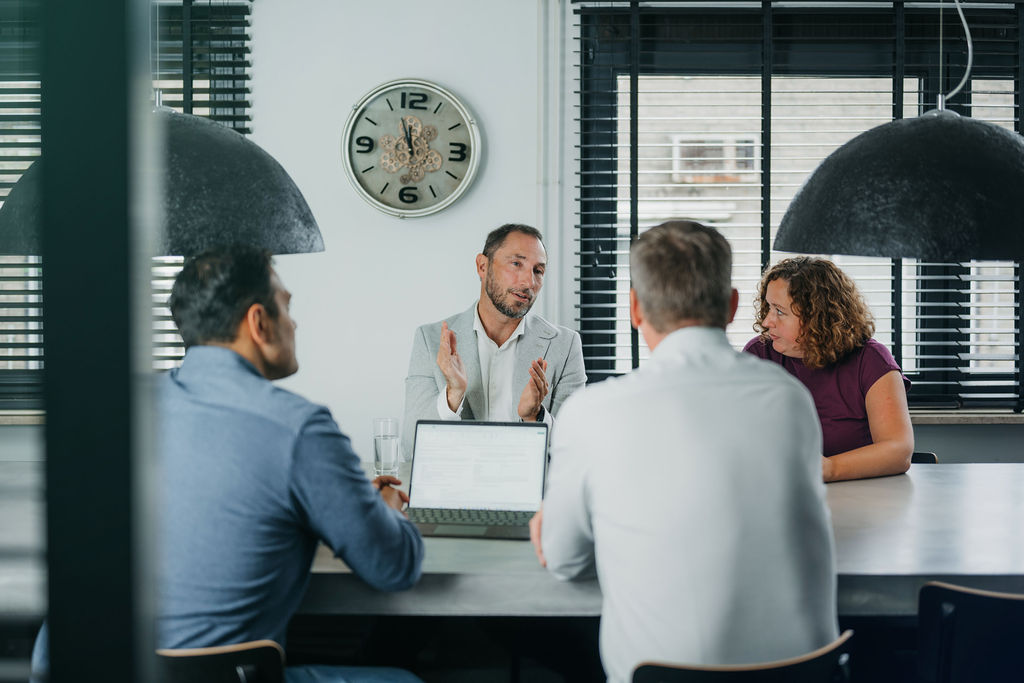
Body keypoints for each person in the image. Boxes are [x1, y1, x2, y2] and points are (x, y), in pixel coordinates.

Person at [33, 245, 425, 683]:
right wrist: (388, 508)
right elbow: (394, 567)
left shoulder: (115, 411)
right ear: (258, 322)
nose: (294, 323)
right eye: (286, 306)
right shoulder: (299, 428)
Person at [530, 221, 838, 683]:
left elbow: (564, 559)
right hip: (807, 675)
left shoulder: (591, 412)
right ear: (732, 305)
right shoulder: (789, 398)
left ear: (635, 308)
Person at [402, 223, 586, 456]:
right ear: (482, 266)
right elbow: (410, 447)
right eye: (516, 264)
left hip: (530, 491)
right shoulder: (430, 340)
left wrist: (535, 418)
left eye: (538, 271)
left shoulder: (565, 345)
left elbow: (575, 450)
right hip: (455, 488)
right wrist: (452, 395)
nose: (529, 282)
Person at [744, 256, 914, 483]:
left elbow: (898, 451)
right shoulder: (758, 356)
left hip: (861, 497)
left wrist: (829, 468)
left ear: (817, 317)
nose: (767, 321)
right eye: (768, 307)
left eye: (780, 311)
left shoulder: (871, 360)